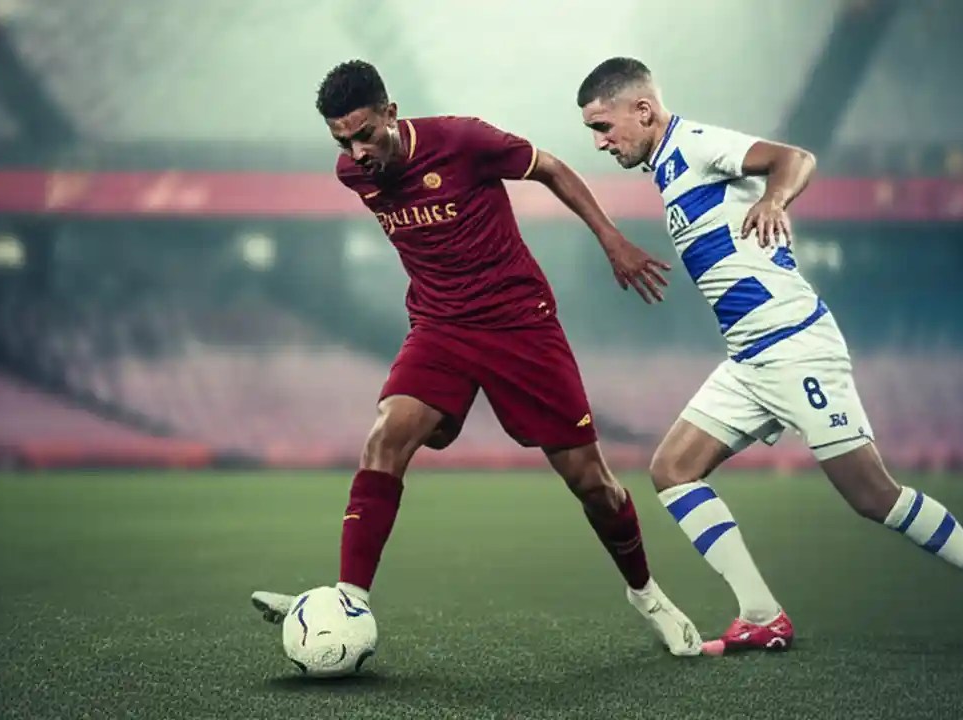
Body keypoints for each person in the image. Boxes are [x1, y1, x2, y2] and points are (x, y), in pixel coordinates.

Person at [574, 56, 963, 662]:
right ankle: (761, 614)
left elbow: (796, 159)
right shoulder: (665, 170)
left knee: (874, 497)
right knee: (673, 469)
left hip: (795, 344)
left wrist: (776, 199)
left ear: (644, 110)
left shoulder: (699, 143)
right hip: (747, 360)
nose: (601, 142)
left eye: (604, 128)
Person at [252, 59, 702, 656]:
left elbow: (553, 168)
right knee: (387, 437)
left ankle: (646, 593)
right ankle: (348, 598)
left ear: (392, 113)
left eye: (365, 134)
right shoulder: (352, 175)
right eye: (342, 141)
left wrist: (612, 240)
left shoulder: (461, 140)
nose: (356, 153)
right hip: (440, 327)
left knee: (592, 484)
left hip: (519, 324)